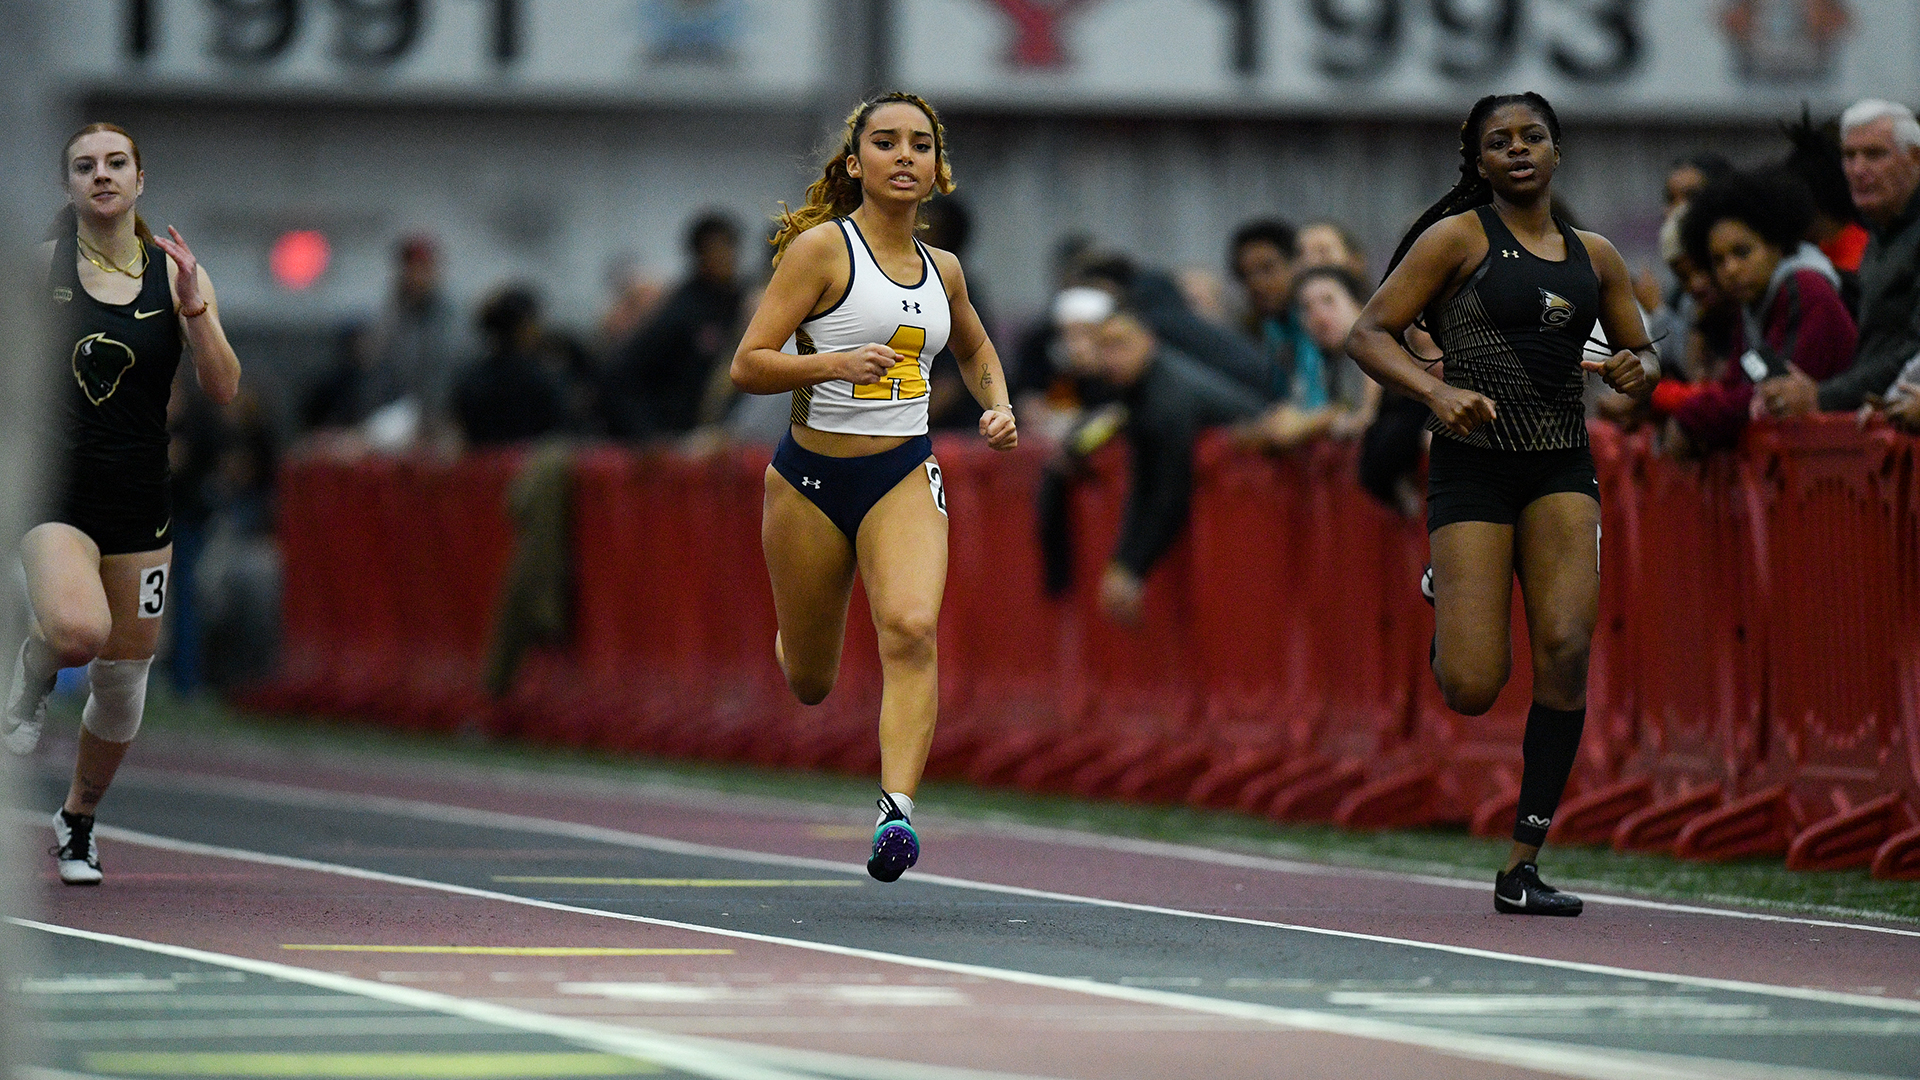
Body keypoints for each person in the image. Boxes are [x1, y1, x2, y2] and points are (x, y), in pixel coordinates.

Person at [1346, 93, 1654, 917]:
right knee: (1474, 686)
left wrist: (1636, 372)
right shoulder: (1456, 238)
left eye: (1532, 137)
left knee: (1564, 647)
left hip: (1561, 466)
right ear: (1477, 160)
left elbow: (1640, 351)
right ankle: (1446, 590)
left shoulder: (1597, 256)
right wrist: (1436, 393)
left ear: (1557, 151)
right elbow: (1368, 333)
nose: (1518, 151)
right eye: (1499, 142)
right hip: (1473, 469)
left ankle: (1523, 862)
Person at [729, 92, 1017, 883]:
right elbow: (748, 365)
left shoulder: (943, 270)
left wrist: (998, 407)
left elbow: (978, 350)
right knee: (813, 681)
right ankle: (796, 637)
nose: (903, 156)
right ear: (856, 164)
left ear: (937, 168)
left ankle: (897, 812)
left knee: (912, 628)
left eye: (919, 145)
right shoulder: (823, 252)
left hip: (901, 471)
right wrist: (828, 363)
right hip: (810, 481)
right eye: (885, 143)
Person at [3, 123, 242, 885]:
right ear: (68, 185)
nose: (100, 176)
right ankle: (38, 661)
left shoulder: (178, 276)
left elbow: (225, 388)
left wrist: (195, 309)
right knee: (80, 633)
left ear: (140, 180)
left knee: (122, 683)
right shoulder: (39, 271)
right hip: (58, 496)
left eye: (115, 164)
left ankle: (78, 821)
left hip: (142, 500)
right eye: (84, 166)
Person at [1668, 171, 1856, 453]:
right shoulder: (1753, 304)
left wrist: (1689, 417)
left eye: (1742, 252)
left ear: (1775, 245)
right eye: (1718, 260)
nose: (1729, 270)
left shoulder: (1804, 288)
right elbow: (1737, 383)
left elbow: (1775, 392)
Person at [1759, 99, 1920, 419]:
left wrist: (1823, 396)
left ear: (1915, 158)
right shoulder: (1881, 233)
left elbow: (1913, 351)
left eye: (1875, 154)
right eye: (1849, 156)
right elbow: (1878, 351)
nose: (1859, 170)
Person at [605, 212, 746, 440]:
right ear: (699, 255)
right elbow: (621, 372)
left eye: (729, 248)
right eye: (716, 250)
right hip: (681, 438)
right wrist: (646, 434)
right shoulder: (683, 309)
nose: (725, 257)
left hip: (724, 434)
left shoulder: (741, 301)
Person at [451, 286, 571, 446]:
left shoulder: (470, 379)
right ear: (524, 328)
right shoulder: (543, 381)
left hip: (481, 469)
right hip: (527, 469)